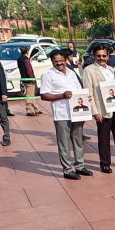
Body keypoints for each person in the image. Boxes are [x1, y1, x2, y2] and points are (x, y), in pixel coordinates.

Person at [40, 51, 93, 180]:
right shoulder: (48, 75)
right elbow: (44, 95)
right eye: (56, 61)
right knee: (64, 143)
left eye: (61, 60)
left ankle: (80, 166)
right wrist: (61, 96)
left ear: (66, 59)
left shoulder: (72, 73)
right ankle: (67, 170)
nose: (59, 63)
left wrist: (86, 97)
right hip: (62, 113)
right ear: (52, 61)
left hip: (77, 112)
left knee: (78, 140)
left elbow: (78, 90)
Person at [83, 45, 115, 172]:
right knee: (104, 138)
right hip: (102, 109)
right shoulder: (89, 70)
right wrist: (95, 112)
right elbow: (88, 93)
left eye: (104, 56)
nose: (102, 58)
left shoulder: (112, 70)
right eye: (99, 56)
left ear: (108, 56)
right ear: (94, 56)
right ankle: (105, 163)